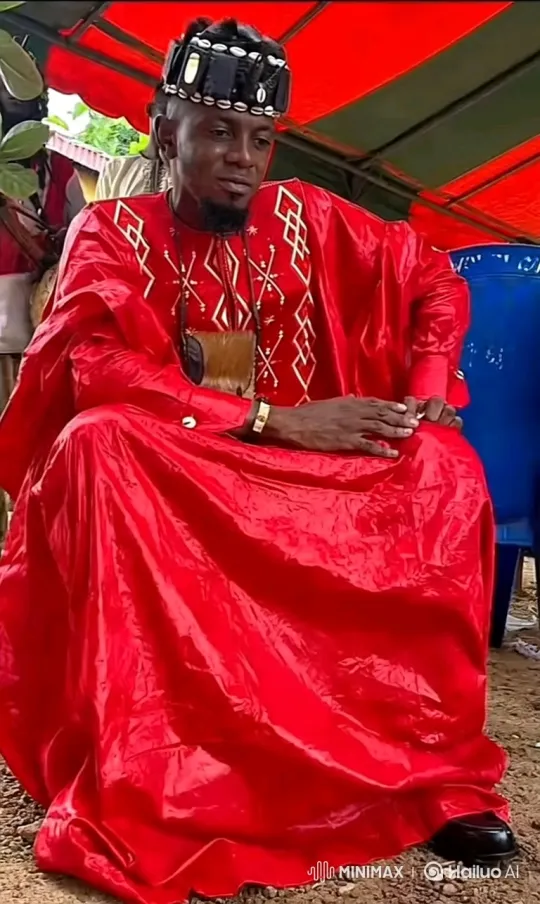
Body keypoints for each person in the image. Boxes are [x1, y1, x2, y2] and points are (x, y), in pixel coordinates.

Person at [0, 17, 516, 904]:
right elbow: (95, 367)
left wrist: (430, 380)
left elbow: (430, 273)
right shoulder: (111, 235)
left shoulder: (310, 217)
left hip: (314, 481)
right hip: (193, 472)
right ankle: (163, 773)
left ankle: (428, 770)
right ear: (166, 133)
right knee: (100, 445)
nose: (243, 157)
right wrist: (274, 418)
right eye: (219, 133)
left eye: (260, 138)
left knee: (444, 468)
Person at [0, 71, 85, 350]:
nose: (16, 105)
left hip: (42, 342)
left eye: (23, 97)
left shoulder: (60, 170)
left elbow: (83, 246)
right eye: (7, 97)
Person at [95, 86, 170, 200]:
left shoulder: (187, 180)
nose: (169, 124)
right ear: (150, 110)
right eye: (164, 111)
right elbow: (99, 216)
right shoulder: (115, 169)